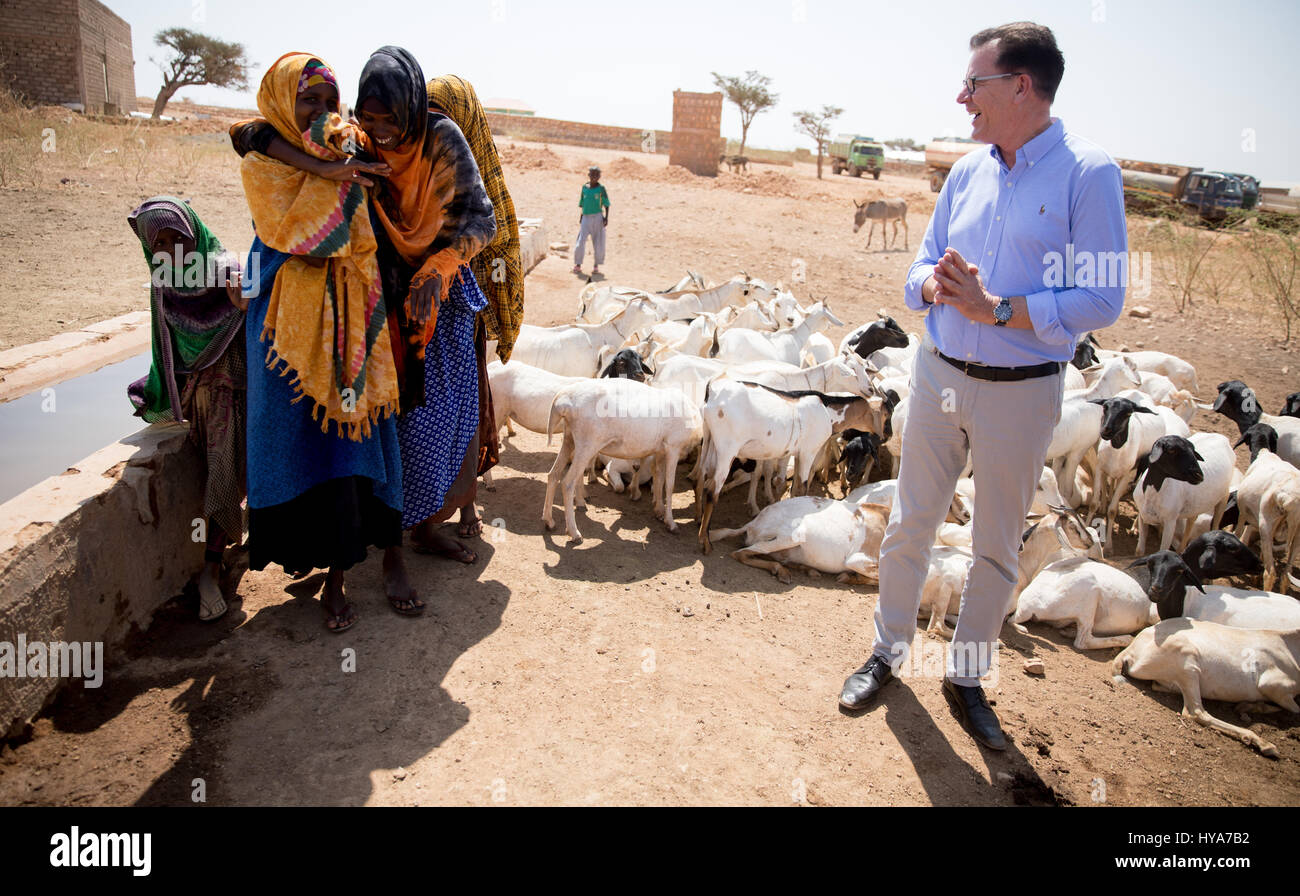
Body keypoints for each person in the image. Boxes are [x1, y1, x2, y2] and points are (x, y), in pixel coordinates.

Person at [837, 22, 1127, 750]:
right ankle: (888, 653)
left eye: (977, 83)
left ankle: (965, 678)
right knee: (909, 524)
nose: (962, 96)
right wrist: (934, 285)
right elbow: (917, 270)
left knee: (996, 544)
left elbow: (1102, 298)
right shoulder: (967, 171)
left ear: (1021, 86)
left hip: (1022, 389)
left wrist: (998, 308)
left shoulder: (1090, 174)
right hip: (937, 374)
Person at [236, 47, 497, 581]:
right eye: (367, 116)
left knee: (441, 418)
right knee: (389, 422)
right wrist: (330, 164)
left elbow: (480, 221)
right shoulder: (350, 140)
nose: (378, 131)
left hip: (436, 296)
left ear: (412, 108)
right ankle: (391, 544)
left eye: (389, 119)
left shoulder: (442, 142)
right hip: (378, 295)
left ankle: (425, 527)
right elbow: (248, 133)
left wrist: (438, 268)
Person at [230, 52, 405, 633]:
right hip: (283, 322)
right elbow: (249, 143)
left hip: (350, 315)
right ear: (283, 102)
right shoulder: (265, 162)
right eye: (308, 101)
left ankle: (339, 575)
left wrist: (333, 167)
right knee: (291, 437)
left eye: (330, 102)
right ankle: (303, 555)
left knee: (347, 441)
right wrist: (323, 174)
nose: (321, 113)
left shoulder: (348, 152)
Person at [127, 196, 247, 623]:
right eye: (160, 242)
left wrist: (245, 306)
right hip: (194, 393)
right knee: (222, 471)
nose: (172, 248)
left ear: (194, 232)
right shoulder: (163, 283)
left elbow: (258, 324)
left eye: (179, 236)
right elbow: (165, 348)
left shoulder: (228, 270)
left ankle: (210, 573)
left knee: (223, 471)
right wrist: (165, 396)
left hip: (234, 388)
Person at [427, 73, 525, 365]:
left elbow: (499, 244)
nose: (436, 128)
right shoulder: (409, 170)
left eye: (444, 119)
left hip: (465, 317)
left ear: (466, 123)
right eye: (427, 117)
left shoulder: (482, 185)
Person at [573, 165, 609, 276]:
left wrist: (606, 218)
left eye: (596, 175)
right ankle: (578, 264)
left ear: (599, 176)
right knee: (580, 241)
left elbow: (606, 204)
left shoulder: (601, 189)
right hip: (586, 217)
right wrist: (581, 216)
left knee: (598, 242)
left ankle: (596, 266)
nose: (594, 177)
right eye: (592, 174)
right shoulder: (584, 188)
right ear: (588, 175)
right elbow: (582, 203)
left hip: (597, 217)